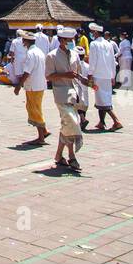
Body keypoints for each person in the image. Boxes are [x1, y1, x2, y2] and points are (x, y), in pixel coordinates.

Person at [45, 28, 87, 171]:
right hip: (61, 94)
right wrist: (64, 75)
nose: (70, 43)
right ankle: (72, 156)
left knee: (66, 124)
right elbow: (48, 76)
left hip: (74, 94)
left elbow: (77, 73)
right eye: (68, 40)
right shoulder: (52, 56)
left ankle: (58, 155)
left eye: (72, 40)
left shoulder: (75, 54)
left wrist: (86, 81)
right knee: (72, 122)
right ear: (61, 40)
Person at [12, 30, 49, 145]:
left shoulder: (31, 53)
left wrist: (19, 85)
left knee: (34, 110)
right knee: (37, 107)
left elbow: (27, 72)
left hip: (33, 85)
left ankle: (41, 137)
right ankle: (44, 131)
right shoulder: (39, 52)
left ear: (26, 42)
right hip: (40, 84)